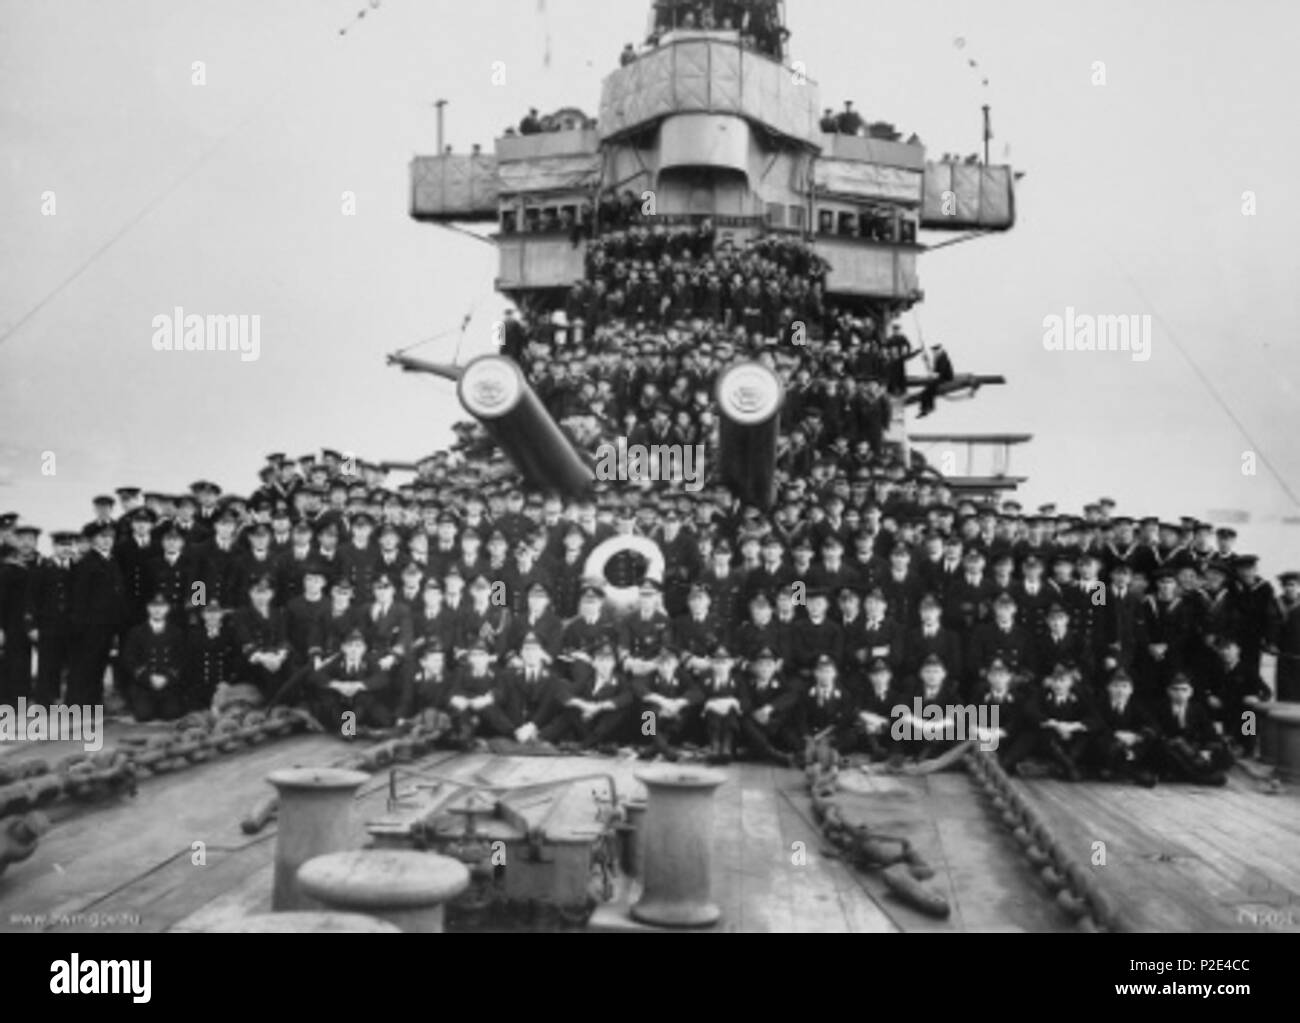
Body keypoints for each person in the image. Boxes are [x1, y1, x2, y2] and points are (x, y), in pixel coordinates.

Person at [1151, 673, 1230, 786]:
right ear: (1168, 691)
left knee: (1221, 747)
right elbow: (1157, 732)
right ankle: (1199, 777)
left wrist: (1206, 750)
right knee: (1174, 745)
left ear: (1190, 692)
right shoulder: (1160, 708)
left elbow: (1210, 733)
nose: (1179, 694)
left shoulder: (1198, 709)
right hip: (1169, 752)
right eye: (1175, 690)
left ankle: (1193, 774)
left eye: (1184, 690)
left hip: (1193, 751)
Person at [309, 628, 393, 731]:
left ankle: (352, 727)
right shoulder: (337, 660)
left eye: (358, 646)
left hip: (361, 705)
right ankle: (347, 728)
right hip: (341, 704)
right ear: (343, 648)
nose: (354, 650)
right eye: (350, 646)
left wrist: (358, 685)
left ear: (364, 648)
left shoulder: (369, 660)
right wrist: (338, 685)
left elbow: (382, 678)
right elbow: (316, 676)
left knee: (381, 716)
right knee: (328, 703)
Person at [120, 592, 188, 722]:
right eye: (153, 606)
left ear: (167, 609)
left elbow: (182, 659)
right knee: (144, 715)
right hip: (144, 685)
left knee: (172, 714)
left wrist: (167, 678)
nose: (157, 610)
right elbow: (129, 659)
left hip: (168, 684)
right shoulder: (136, 632)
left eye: (161, 606)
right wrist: (148, 677)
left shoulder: (176, 632)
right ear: (148, 608)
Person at [1090, 669, 1157, 786]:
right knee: (1106, 741)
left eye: (1125, 687)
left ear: (1131, 690)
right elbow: (1097, 723)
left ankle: (1125, 769)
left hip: (1131, 745)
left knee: (1150, 736)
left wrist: (1136, 736)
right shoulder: (1100, 703)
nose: (1120, 691)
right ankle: (1132, 773)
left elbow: (1152, 724)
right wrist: (1116, 734)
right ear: (1108, 688)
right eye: (1116, 686)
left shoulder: (1136, 705)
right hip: (1108, 744)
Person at [635, 646, 701, 761]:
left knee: (686, 710)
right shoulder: (652, 675)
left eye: (669, 662)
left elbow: (697, 692)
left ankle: (655, 747)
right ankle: (665, 749)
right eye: (661, 663)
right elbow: (638, 687)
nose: (665, 667)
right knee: (647, 713)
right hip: (652, 726)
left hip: (674, 722)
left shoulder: (682, 675)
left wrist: (678, 703)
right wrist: (662, 702)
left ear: (676, 663)